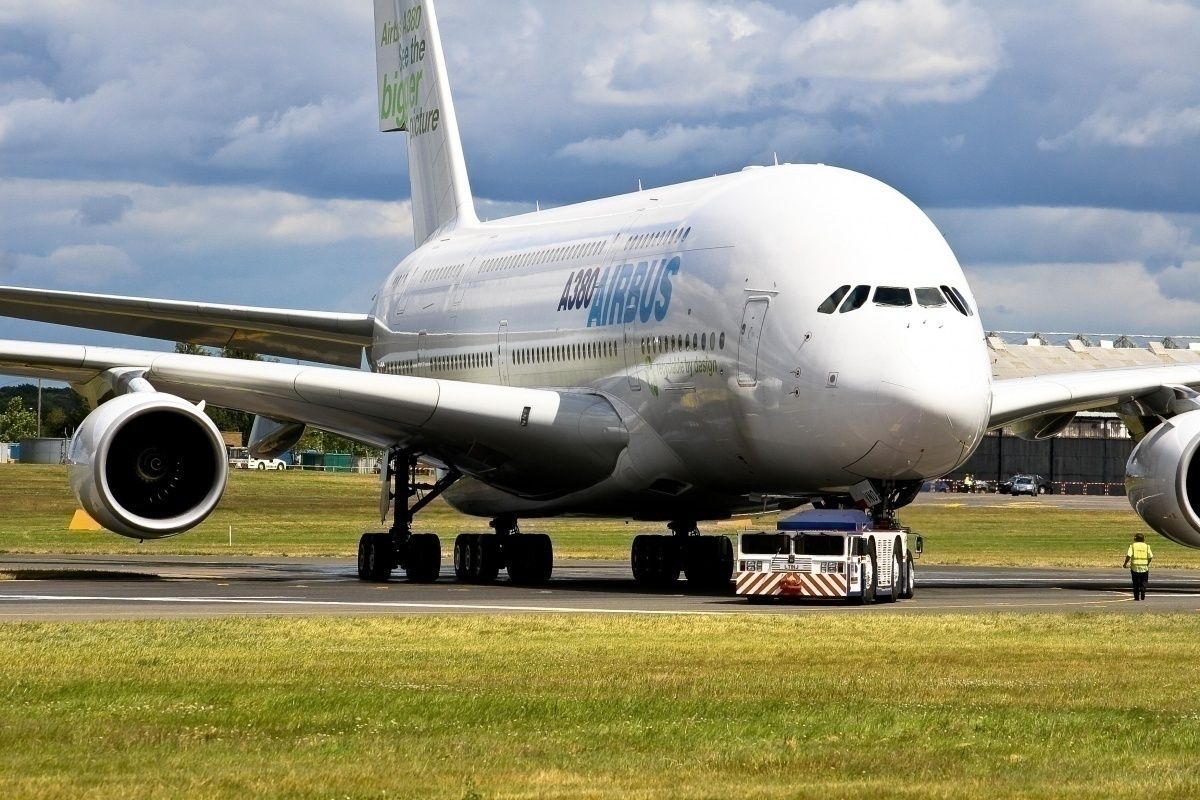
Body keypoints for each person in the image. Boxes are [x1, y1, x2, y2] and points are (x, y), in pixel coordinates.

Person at [1123, 532, 1153, 601]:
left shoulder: (1133, 546)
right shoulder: (1147, 546)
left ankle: (1136, 597)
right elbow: (1151, 556)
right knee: (1144, 581)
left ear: (1135, 539)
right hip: (1144, 568)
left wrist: (1125, 563)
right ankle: (1143, 590)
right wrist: (1147, 563)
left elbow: (1129, 555)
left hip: (1134, 568)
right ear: (1143, 539)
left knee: (1135, 583)